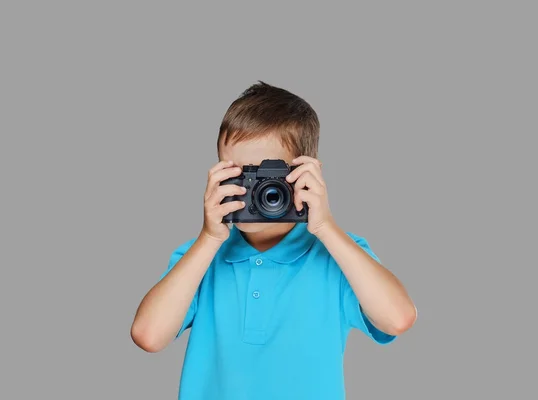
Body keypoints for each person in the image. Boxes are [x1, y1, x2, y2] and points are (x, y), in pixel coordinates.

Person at [130, 81, 417, 399]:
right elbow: (148, 336)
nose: (255, 192)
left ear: (307, 173)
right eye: (238, 175)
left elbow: (399, 318)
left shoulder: (339, 256)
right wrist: (210, 237)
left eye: (269, 176)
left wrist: (325, 227)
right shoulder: (200, 258)